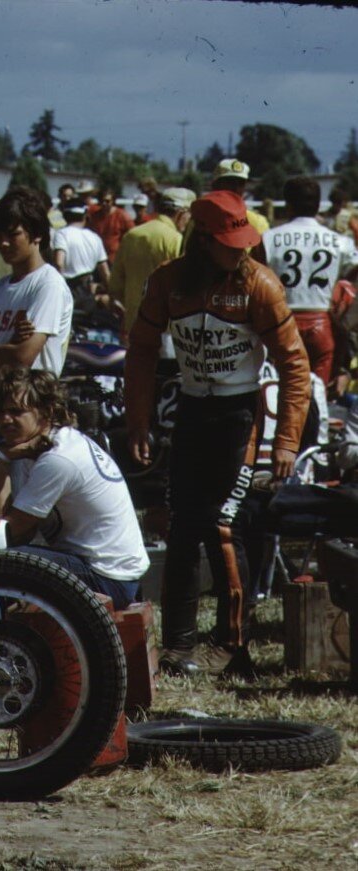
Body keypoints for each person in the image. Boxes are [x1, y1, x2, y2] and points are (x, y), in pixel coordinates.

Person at [125, 190, 310, 677]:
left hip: (239, 416)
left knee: (221, 524)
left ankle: (233, 646)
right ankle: (179, 646)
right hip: (190, 410)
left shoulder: (259, 284)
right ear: (202, 240)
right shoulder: (167, 283)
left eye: (246, 241)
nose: (242, 251)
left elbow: (295, 364)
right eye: (231, 243)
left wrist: (287, 440)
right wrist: (138, 419)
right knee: (182, 527)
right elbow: (141, 349)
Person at [0, 366, 148, 608]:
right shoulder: (30, 447)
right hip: (97, 568)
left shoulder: (58, 458)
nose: (4, 420)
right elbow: (14, 532)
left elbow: (6, 532)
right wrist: (3, 459)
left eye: (16, 411)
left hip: (109, 578)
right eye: (0, 412)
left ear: (46, 412)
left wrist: (0, 459)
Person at [0, 186, 74, 514]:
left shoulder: (47, 284)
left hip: (28, 413)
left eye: (14, 234)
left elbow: (23, 359)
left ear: (37, 234)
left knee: (19, 513)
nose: (4, 244)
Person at [261, 176, 358, 384]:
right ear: (317, 205)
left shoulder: (269, 238)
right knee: (318, 397)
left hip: (283, 323)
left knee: (282, 393)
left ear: (288, 205)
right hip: (322, 322)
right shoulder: (340, 241)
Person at [108, 187, 195, 333]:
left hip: (133, 326)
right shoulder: (177, 241)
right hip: (165, 330)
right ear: (181, 214)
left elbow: (116, 285)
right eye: (190, 216)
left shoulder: (132, 235)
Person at [50, 198, 109, 316]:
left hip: (70, 288)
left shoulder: (61, 234)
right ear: (85, 216)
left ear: (65, 216)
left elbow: (59, 262)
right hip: (88, 289)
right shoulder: (94, 237)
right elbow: (105, 272)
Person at [85, 187, 135, 264]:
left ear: (113, 201)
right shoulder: (94, 216)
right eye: (102, 201)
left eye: (107, 201)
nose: (104, 203)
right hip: (97, 257)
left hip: (115, 258)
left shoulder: (122, 215)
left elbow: (132, 236)